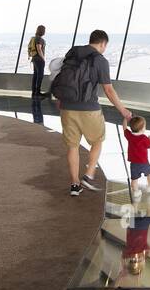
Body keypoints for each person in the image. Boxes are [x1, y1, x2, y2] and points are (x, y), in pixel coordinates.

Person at [54, 29, 132, 196]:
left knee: (72, 146)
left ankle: (75, 184)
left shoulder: (73, 53)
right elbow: (109, 90)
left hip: (67, 108)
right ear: (102, 43)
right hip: (89, 109)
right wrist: (122, 110)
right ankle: (89, 174)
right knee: (98, 140)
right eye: (105, 46)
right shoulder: (100, 60)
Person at [123, 115, 150, 196]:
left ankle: (136, 192)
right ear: (142, 129)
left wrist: (125, 119)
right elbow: (149, 146)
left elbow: (124, 128)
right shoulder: (144, 138)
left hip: (133, 164)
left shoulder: (129, 136)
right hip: (144, 162)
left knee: (134, 179)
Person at [27, 25, 47, 99]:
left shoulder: (34, 38)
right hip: (39, 59)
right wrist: (43, 58)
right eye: (44, 30)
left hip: (34, 59)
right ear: (42, 31)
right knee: (40, 76)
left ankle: (34, 92)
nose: (45, 32)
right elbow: (39, 49)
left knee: (35, 75)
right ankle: (37, 92)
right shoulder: (39, 39)